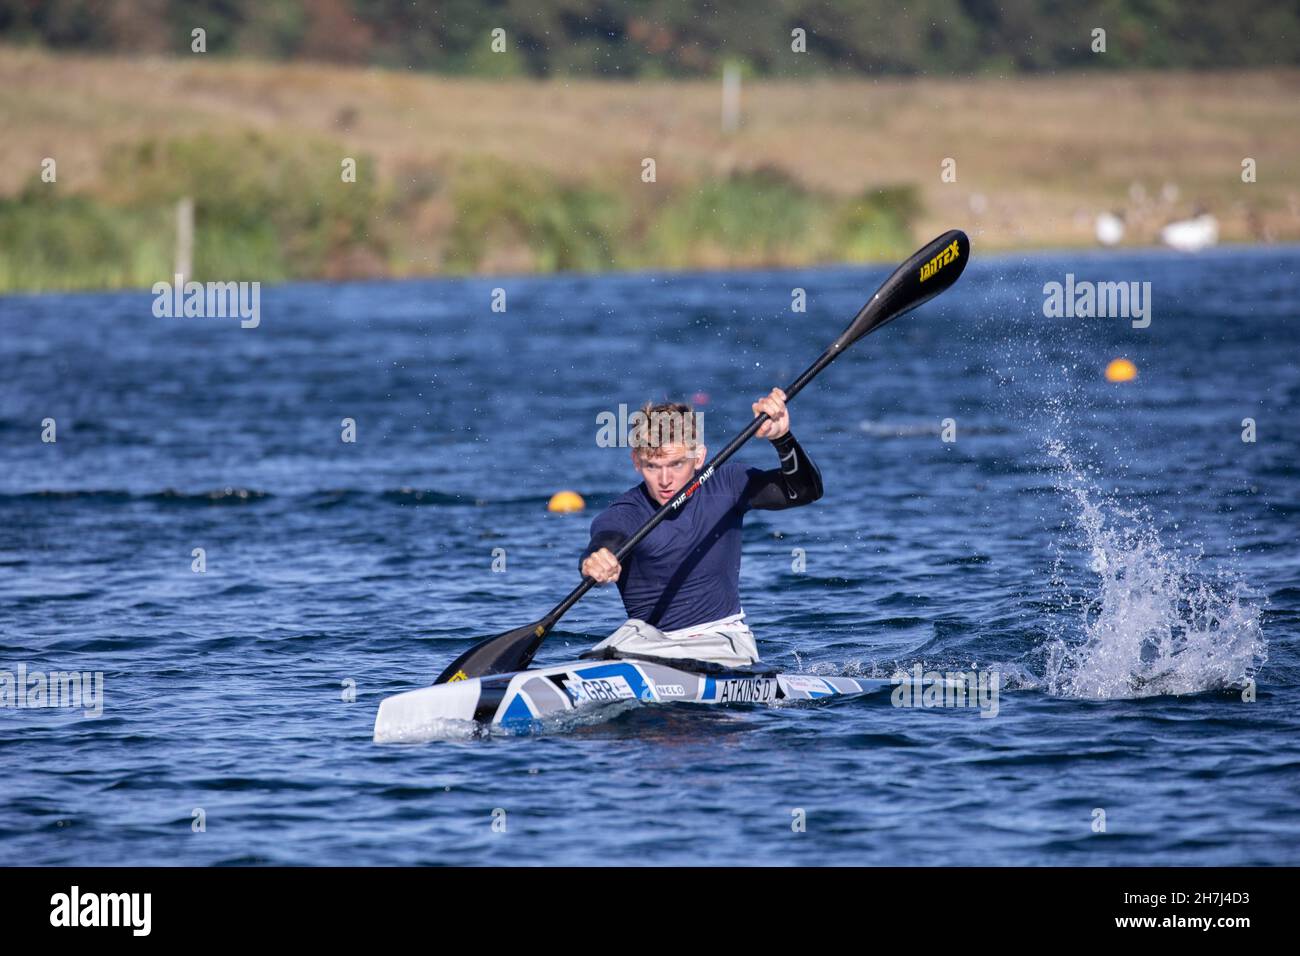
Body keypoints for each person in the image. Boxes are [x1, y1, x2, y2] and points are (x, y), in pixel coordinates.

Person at [579, 388, 822, 667]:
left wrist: (782, 438)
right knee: (608, 650)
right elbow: (605, 540)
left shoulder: (727, 484)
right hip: (646, 644)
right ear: (636, 461)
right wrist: (595, 561)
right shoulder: (627, 512)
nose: (665, 479)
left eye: (676, 464)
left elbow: (804, 491)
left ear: (699, 457)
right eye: (653, 466)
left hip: (720, 641)